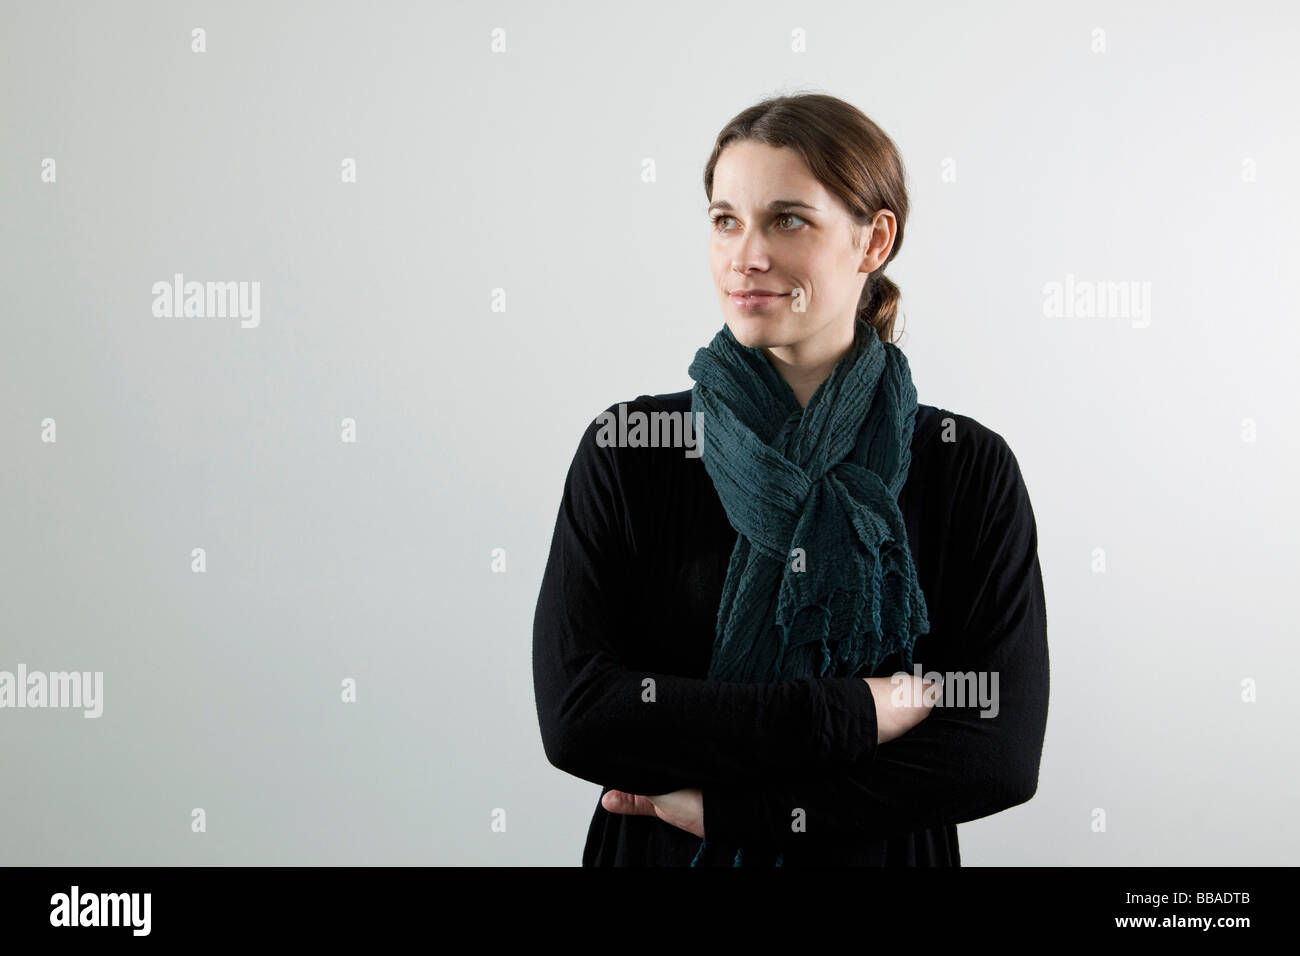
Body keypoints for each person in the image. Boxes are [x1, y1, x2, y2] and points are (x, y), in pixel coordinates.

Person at [532, 92, 1050, 866]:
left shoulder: (964, 466)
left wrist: (744, 812)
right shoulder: (632, 450)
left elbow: (994, 750)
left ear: (873, 240)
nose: (747, 255)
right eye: (725, 220)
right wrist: (860, 713)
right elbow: (583, 717)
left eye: (788, 220)